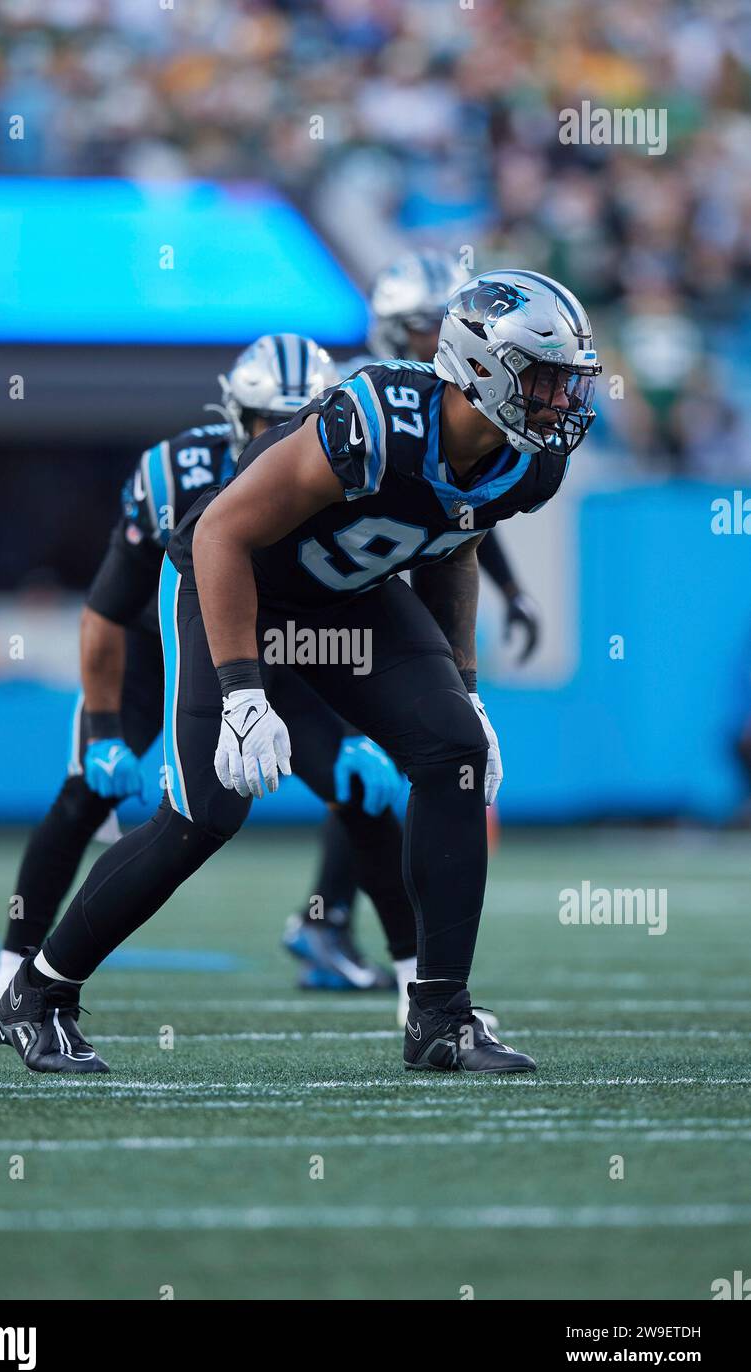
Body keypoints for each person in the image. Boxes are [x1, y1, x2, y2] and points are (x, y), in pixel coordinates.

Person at [0, 269, 600, 1076]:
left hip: (346, 595)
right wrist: (245, 690)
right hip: (230, 579)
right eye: (547, 377)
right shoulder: (379, 419)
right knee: (206, 812)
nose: (564, 399)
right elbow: (220, 534)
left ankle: (441, 1017)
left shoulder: (527, 466)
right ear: (484, 368)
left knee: (453, 750)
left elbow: (456, 546)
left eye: (570, 379)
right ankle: (37, 995)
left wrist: (468, 687)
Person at [0, 334, 418, 1034]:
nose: (283, 441)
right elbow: (105, 610)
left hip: (275, 654)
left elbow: (365, 603)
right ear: (234, 416)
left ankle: (415, 979)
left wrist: (356, 729)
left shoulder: (349, 471)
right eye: (268, 423)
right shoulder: (173, 474)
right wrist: (102, 729)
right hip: (159, 651)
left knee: (359, 790)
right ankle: (13, 968)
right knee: (89, 792)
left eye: (301, 422)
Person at [284, 252, 541, 995]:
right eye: (422, 327)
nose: (434, 341)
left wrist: (513, 589)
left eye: (441, 326)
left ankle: (332, 924)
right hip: (326, 598)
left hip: (390, 592)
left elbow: (463, 512)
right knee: (368, 767)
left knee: (386, 766)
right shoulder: (367, 399)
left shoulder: (467, 413)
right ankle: (327, 922)